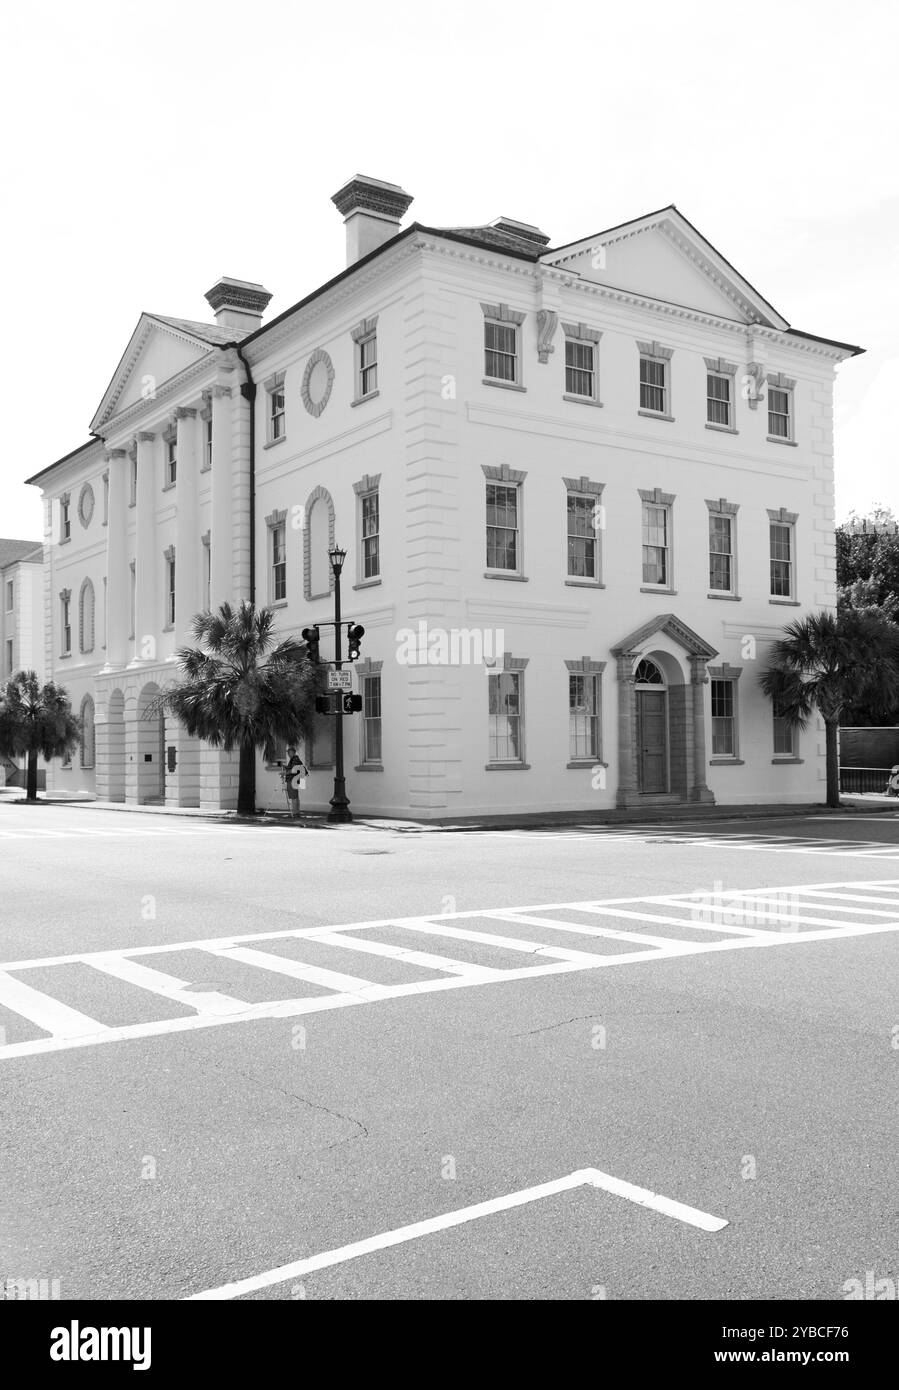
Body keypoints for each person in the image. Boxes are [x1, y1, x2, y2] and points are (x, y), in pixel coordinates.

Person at [283, 746, 308, 819]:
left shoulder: (295, 759)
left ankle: (295, 814)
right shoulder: (294, 759)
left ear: (293, 752)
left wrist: (285, 773)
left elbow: (294, 770)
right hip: (296, 780)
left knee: (294, 797)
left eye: (289, 752)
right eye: (287, 753)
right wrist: (286, 768)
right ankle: (296, 813)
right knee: (295, 797)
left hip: (293, 780)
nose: (288, 754)